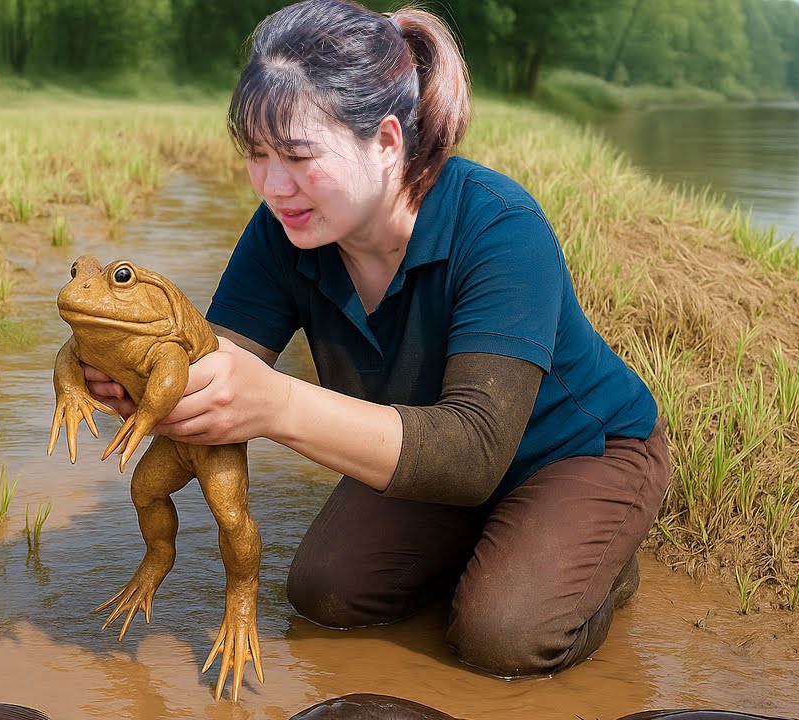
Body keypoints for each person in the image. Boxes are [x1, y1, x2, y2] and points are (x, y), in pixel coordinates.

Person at [85, 0, 670, 679]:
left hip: (577, 451)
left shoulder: (500, 227)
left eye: (300, 156)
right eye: (257, 155)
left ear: (387, 141)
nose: (275, 187)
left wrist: (275, 405)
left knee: (500, 636)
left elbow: (477, 452)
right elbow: (219, 364)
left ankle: (599, 566)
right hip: (426, 446)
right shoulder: (284, 227)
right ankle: (496, 544)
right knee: (327, 594)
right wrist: (144, 379)